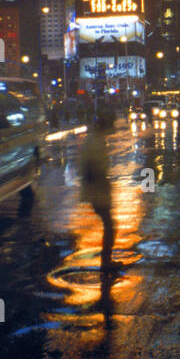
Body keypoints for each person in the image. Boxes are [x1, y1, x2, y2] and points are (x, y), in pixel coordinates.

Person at [79, 111, 115, 303]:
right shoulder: (95, 142)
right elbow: (91, 168)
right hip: (97, 190)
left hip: (98, 189)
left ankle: (106, 262)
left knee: (109, 225)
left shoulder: (96, 139)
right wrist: (100, 187)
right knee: (110, 226)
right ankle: (106, 264)